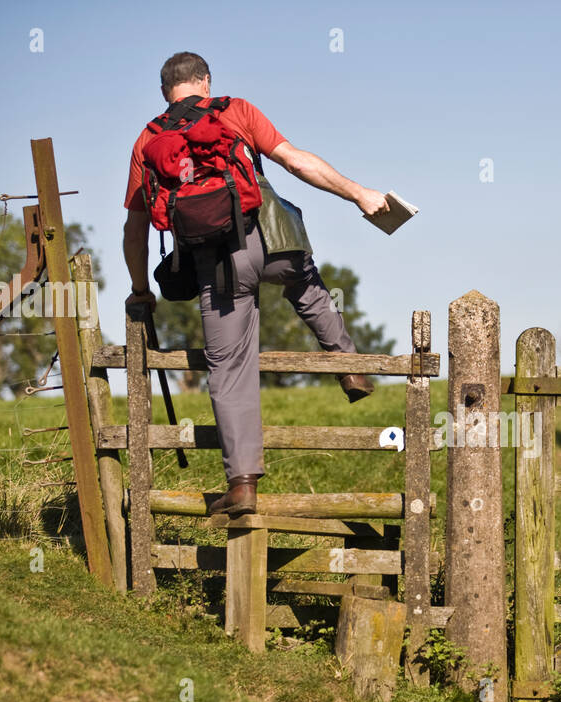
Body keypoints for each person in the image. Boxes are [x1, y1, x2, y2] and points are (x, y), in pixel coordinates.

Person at [122, 52, 392, 516]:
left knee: (228, 371)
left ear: (165, 91)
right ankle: (349, 366)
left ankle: (242, 484)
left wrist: (140, 288)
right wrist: (358, 194)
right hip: (271, 240)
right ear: (205, 81)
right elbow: (296, 162)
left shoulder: (150, 137)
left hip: (217, 264)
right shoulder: (235, 109)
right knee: (306, 282)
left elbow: (136, 228)